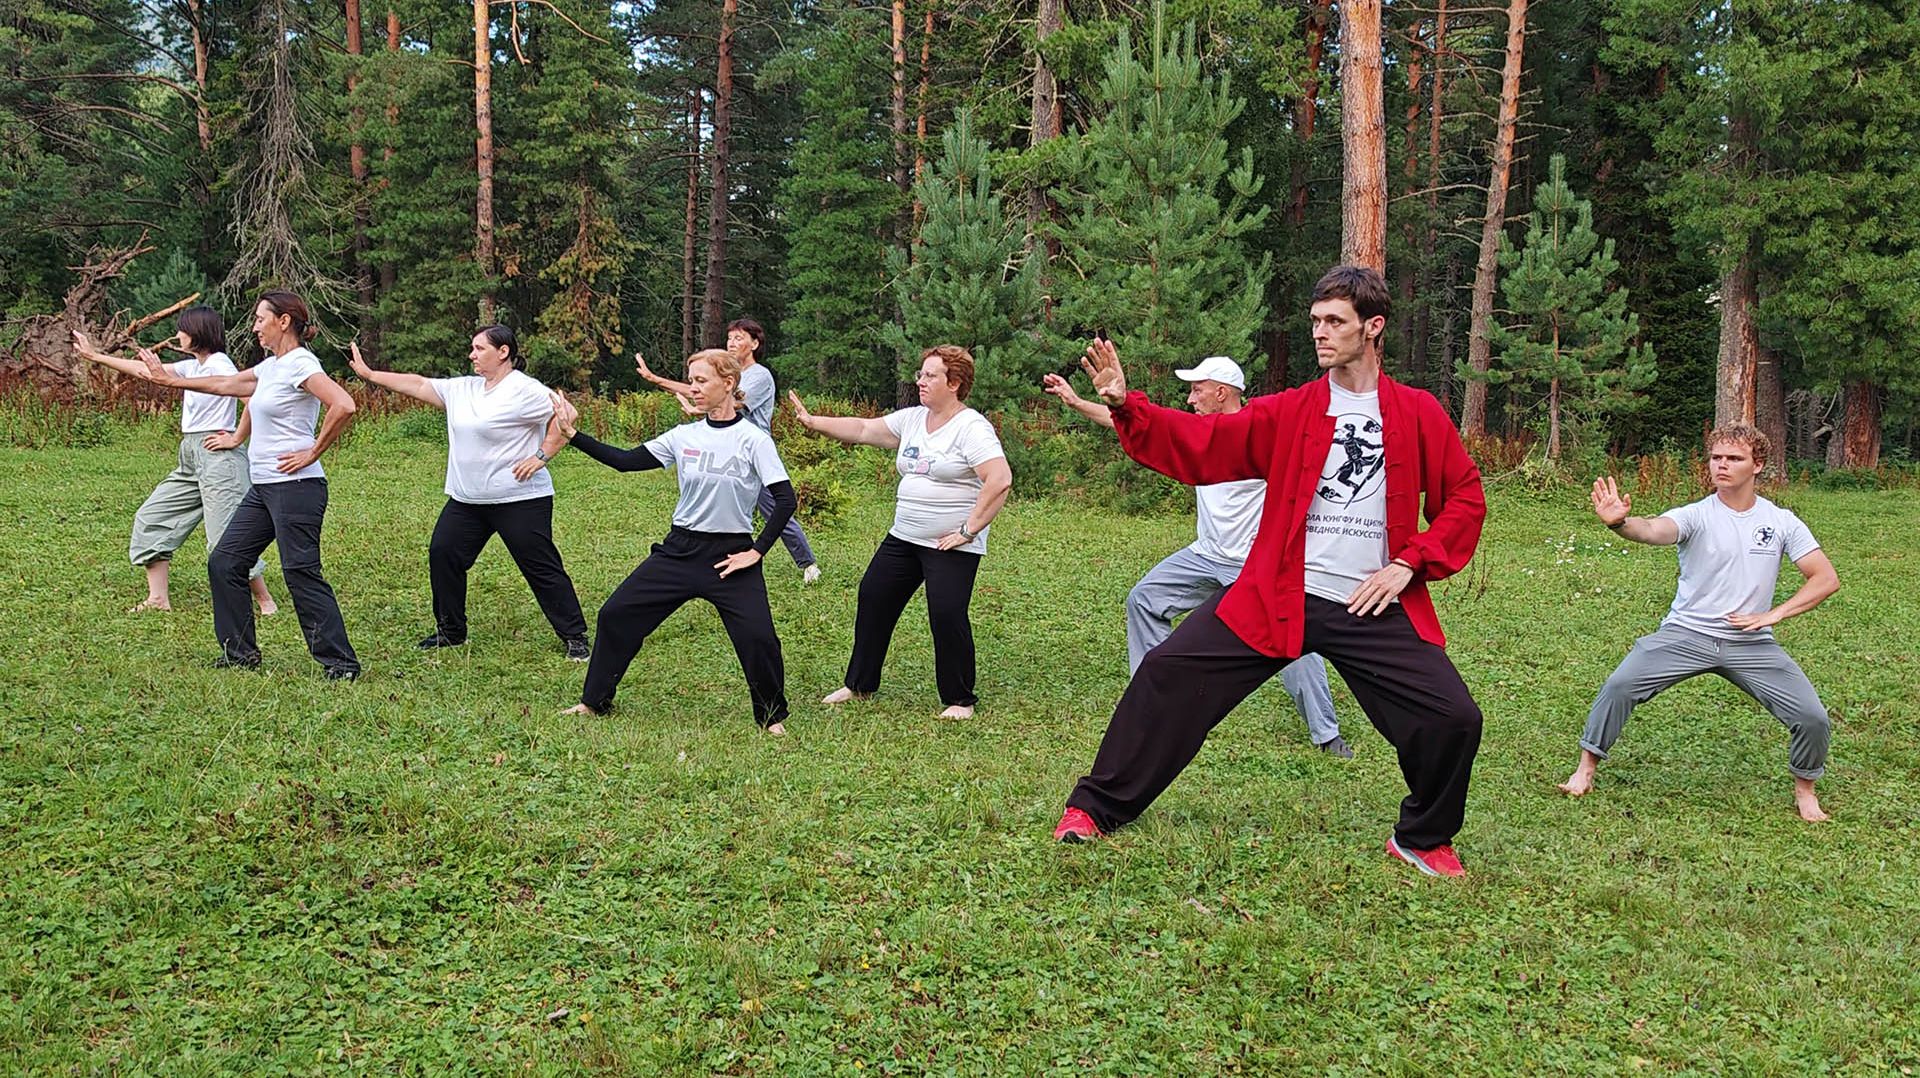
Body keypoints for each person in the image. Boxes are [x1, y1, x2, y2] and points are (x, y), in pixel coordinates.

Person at [1052, 266, 1487, 878]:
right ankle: (1095, 808)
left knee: (1453, 717)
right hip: (1279, 592)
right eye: (1315, 321)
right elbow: (1207, 445)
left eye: (1335, 321)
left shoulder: (1416, 413)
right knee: (1167, 673)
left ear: (1373, 327)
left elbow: (1465, 497)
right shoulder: (1293, 411)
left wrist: (1408, 564)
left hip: (1372, 601)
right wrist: (1129, 406)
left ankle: (1423, 836)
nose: (1321, 332)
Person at [1042, 355, 1350, 757]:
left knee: (1290, 642)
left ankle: (1327, 734)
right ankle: (1151, 701)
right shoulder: (1199, 432)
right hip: (1205, 556)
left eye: (1197, 389)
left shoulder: (1259, 437)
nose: (1189, 399)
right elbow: (1137, 425)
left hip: (1252, 564)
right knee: (1145, 600)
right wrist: (1081, 402)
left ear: (1221, 393)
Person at [1559, 426, 1840, 821]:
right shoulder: (1697, 514)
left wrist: (1773, 614)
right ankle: (1585, 769)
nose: (1722, 465)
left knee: (1812, 717)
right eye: (1716, 457)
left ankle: (1805, 791)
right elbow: (1654, 529)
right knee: (1620, 686)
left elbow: (1825, 578)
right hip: (1687, 634)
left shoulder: (1781, 522)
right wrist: (1620, 524)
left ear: (1757, 466)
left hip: (1750, 642)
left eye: (1734, 458)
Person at [552, 348, 796, 734]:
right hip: (679, 551)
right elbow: (625, 460)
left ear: (728, 384)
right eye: (692, 380)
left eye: (701, 381)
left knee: (759, 638)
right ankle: (594, 702)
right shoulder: (684, 435)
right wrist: (572, 435)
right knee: (615, 614)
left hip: (730, 555)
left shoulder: (753, 440)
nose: (693, 389)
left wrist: (756, 551)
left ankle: (771, 718)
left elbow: (786, 499)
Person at [136, 290, 361, 679]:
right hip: (263, 487)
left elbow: (344, 404)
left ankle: (341, 664)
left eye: (260, 319)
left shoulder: (300, 364)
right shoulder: (271, 367)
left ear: (283, 321)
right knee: (225, 562)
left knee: (300, 571)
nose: (255, 326)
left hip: (297, 487)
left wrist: (312, 452)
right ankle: (239, 654)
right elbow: (225, 385)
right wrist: (169, 383)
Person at [789, 346, 1012, 720]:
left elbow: (1000, 479)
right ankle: (859, 684)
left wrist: (968, 529)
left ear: (954, 383)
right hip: (904, 537)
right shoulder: (913, 419)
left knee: (946, 614)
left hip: (948, 544)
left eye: (930, 376)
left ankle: (960, 700)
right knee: (874, 596)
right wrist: (814, 422)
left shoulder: (971, 427)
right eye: (920, 374)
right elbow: (862, 429)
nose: (920, 381)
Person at [347, 326, 590, 659]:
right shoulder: (464, 388)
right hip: (467, 500)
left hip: (519, 500)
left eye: (479, 348)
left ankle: (574, 636)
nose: (471, 354)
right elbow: (418, 384)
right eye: (472, 348)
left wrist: (542, 455)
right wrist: (371, 374)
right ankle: (451, 631)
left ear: (503, 352)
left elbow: (568, 414)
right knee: (443, 553)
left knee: (540, 567)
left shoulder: (523, 389)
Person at [71, 309, 276, 616]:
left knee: (226, 535)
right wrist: (95, 357)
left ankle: (265, 601)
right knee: (152, 517)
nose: (177, 335)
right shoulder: (194, 365)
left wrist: (235, 438)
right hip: (191, 455)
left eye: (182, 330)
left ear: (198, 333)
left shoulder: (220, 364)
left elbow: (252, 400)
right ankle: (158, 599)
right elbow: (145, 370)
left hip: (218, 457)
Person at [636, 318, 820, 583]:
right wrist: (655, 379)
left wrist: (698, 408)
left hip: (751, 455)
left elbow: (734, 403)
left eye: (739, 338)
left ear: (754, 344)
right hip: (725, 449)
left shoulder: (759, 375)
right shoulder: (722, 375)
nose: (732, 343)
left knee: (776, 506)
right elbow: (698, 390)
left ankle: (808, 564)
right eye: (730, 338)